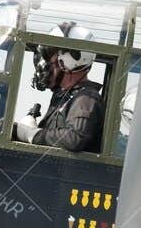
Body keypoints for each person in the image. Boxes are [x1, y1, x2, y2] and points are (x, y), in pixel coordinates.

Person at [20, 21, 104, 152]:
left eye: (49, 59)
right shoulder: (65, 97)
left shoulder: (86, 98)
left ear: (68, 62)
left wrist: (31, 134)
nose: (44, 65)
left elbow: (75, 138)